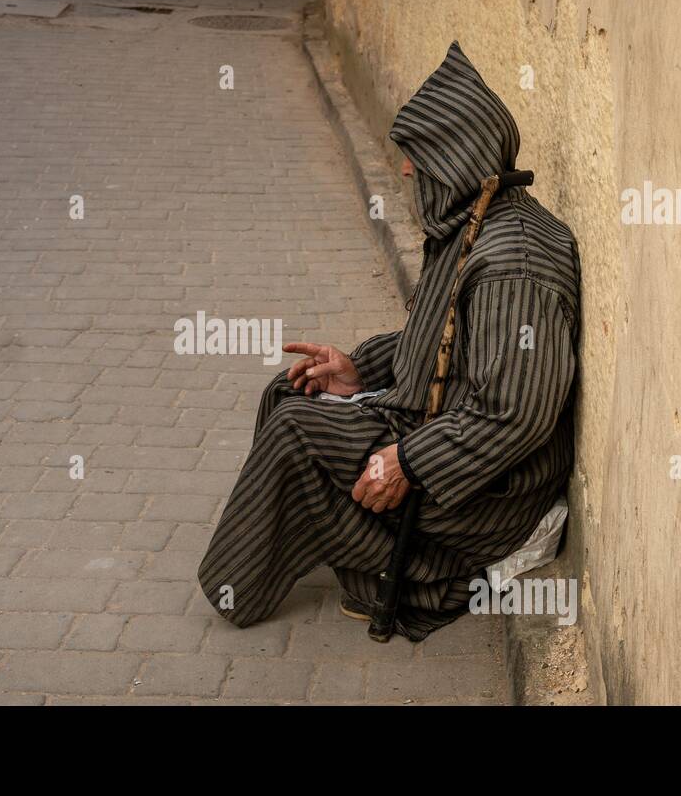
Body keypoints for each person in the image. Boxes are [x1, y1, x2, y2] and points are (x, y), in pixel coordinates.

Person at [197, 42, 581, 640]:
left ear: (454, 159)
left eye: (415, 157)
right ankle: (346, 554)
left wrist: (407, 459)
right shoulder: (473, 225)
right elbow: (442, 344)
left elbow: (514, 416)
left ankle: (251, 590)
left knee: (298, 433)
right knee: (289, 392)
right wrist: (360, 372)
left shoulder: (514, 264)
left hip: (491, 491)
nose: (404, 169)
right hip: (447, 426)